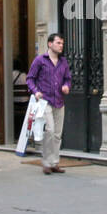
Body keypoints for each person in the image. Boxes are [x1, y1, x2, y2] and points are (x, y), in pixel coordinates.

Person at [27, 33, 71, 175]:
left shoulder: (63, 62)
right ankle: (46, 162)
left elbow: (67, 78)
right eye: (58, 43)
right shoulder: (40, 60)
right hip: (45, 100)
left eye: (62, 43)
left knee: (58, 134)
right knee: (50, 130)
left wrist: (66, 86)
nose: (61, 46)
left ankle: (54, 163)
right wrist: (35, 91)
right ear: (50, 44)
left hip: (59, 100)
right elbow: (30, 79)